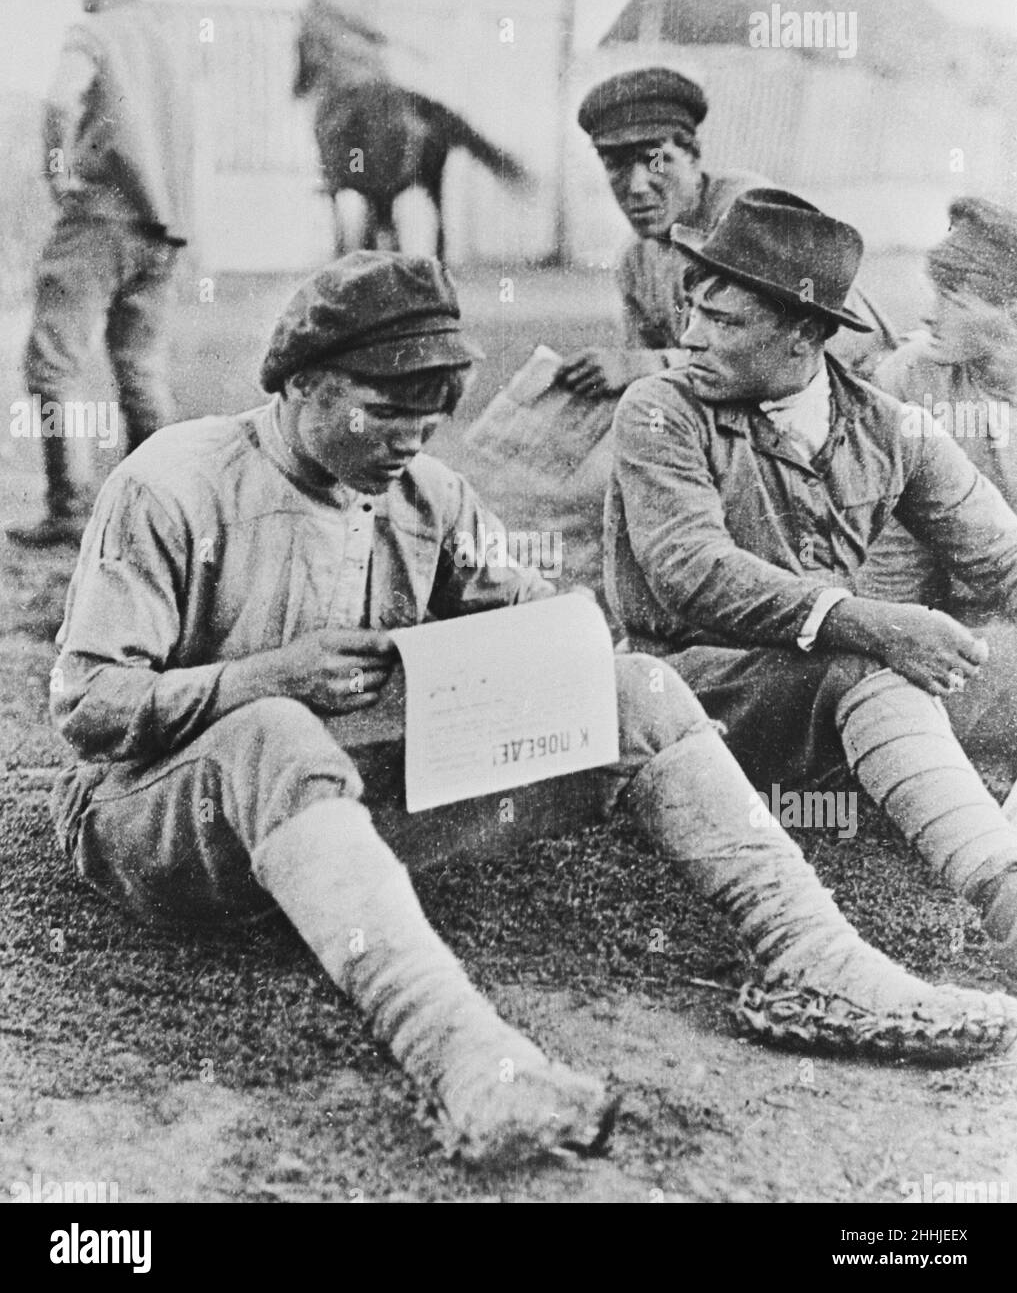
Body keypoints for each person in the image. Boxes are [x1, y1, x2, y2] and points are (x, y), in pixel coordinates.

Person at [49, 253, 1017, 1170]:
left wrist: (549, 629)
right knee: (277, 732)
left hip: (334, 816)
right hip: (161, 816)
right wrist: (263, 678)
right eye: (385, 414)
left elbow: (531, 613)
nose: (407, 444)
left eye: (428, 423)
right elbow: (90, 709)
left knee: (634, 687)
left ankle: (818, 958)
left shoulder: (423, 492)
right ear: (300, 384)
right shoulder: (173, 483)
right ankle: (466, 1062)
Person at [606, 187, 1017, 980]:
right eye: (694, 310)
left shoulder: (888, 426)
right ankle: (1002, 889)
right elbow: (691, 572)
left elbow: (1001, 559)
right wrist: (864, 620)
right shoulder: (659, 411)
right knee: (865, 659)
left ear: (803, 336)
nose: (688, 338)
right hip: (698, 705)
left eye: (722, 322)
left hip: (844, 712)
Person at [9, 0, 193, 548]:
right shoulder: (167, 38)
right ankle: (154, 512)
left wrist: (58, 171)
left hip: (100, 223)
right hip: (164, 230)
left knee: (52, 364)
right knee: (141, 365)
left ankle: (67, 509)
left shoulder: (93, 32)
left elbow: (61, 100)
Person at [556, 67, 894, 400]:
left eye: (655, 160)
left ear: (693, 155)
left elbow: (788, 356)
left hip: (851, 400)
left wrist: (645, 365)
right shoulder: (636, 258)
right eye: (615, 164)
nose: (636, 186)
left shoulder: (750, 213)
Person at [859, 196, 1017, 625]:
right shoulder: (910, 376)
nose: (929, 316)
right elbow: (894, 543)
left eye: (955, 301)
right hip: (950, 616)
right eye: (936, 295)